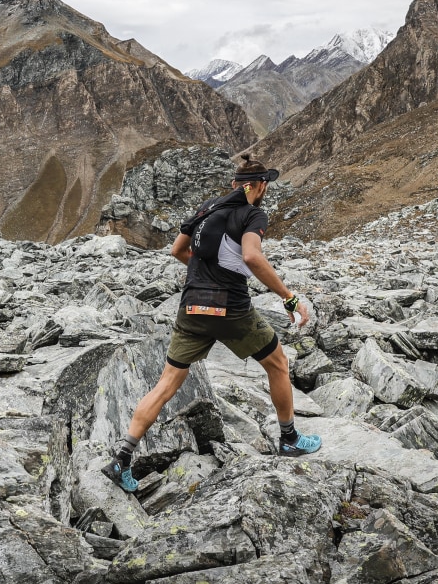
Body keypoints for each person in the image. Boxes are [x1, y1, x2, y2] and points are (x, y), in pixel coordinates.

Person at [102, 154, 320, 492]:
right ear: (258, 186)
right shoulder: (252, 214)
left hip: (191, 308)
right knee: (278, 363)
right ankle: (289, 438)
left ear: (234, 184)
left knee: (166, 383)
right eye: (266, 185)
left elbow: (177, 250)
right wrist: (289, 299)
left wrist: (206, 272)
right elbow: (251, 256)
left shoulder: (205, 209)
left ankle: (122, 458)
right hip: (231, 308)